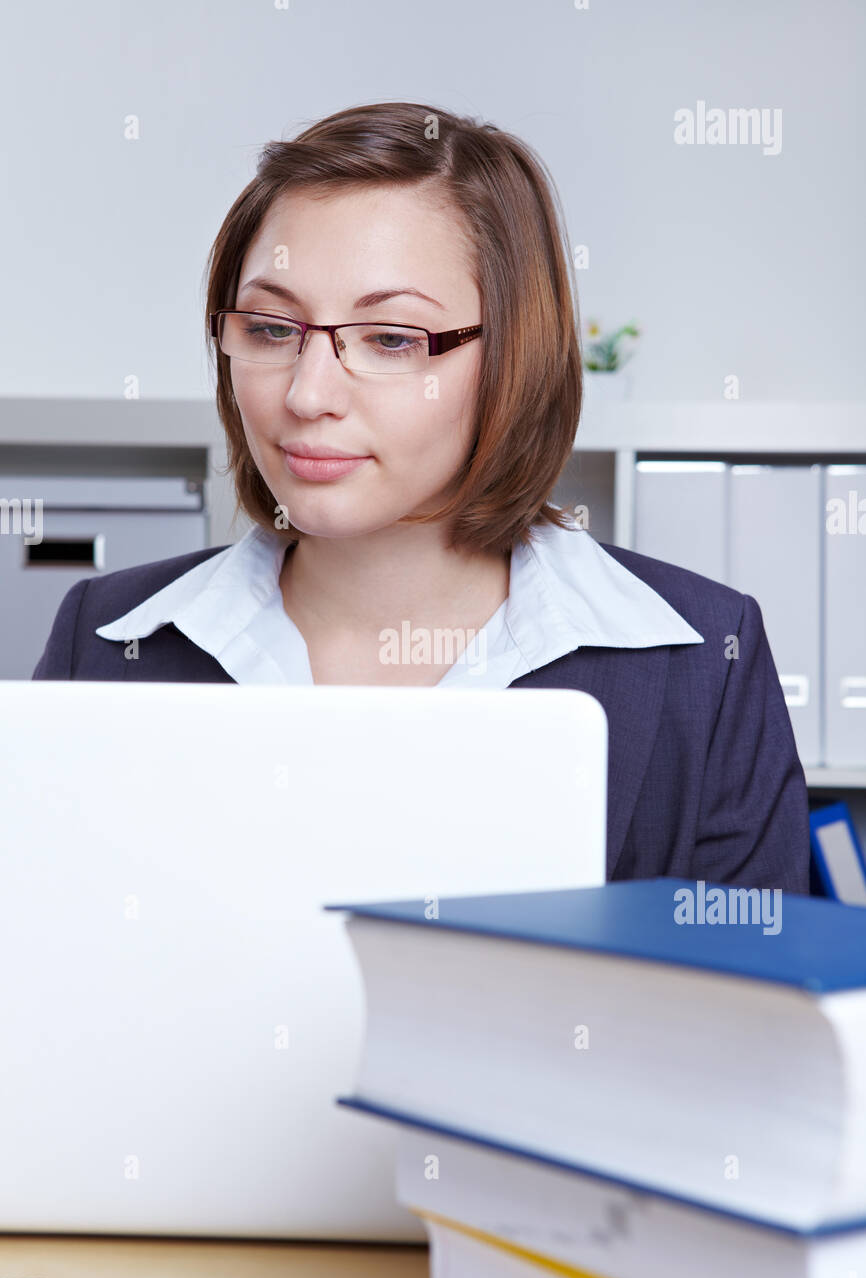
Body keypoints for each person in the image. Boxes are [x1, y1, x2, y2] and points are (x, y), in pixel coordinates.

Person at [32, 100, 810, 891]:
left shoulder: (704, 664)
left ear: (512, 359)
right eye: (270, 328)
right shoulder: (102, 641)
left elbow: (746, 970)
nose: (307, 395)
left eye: (391, 340)